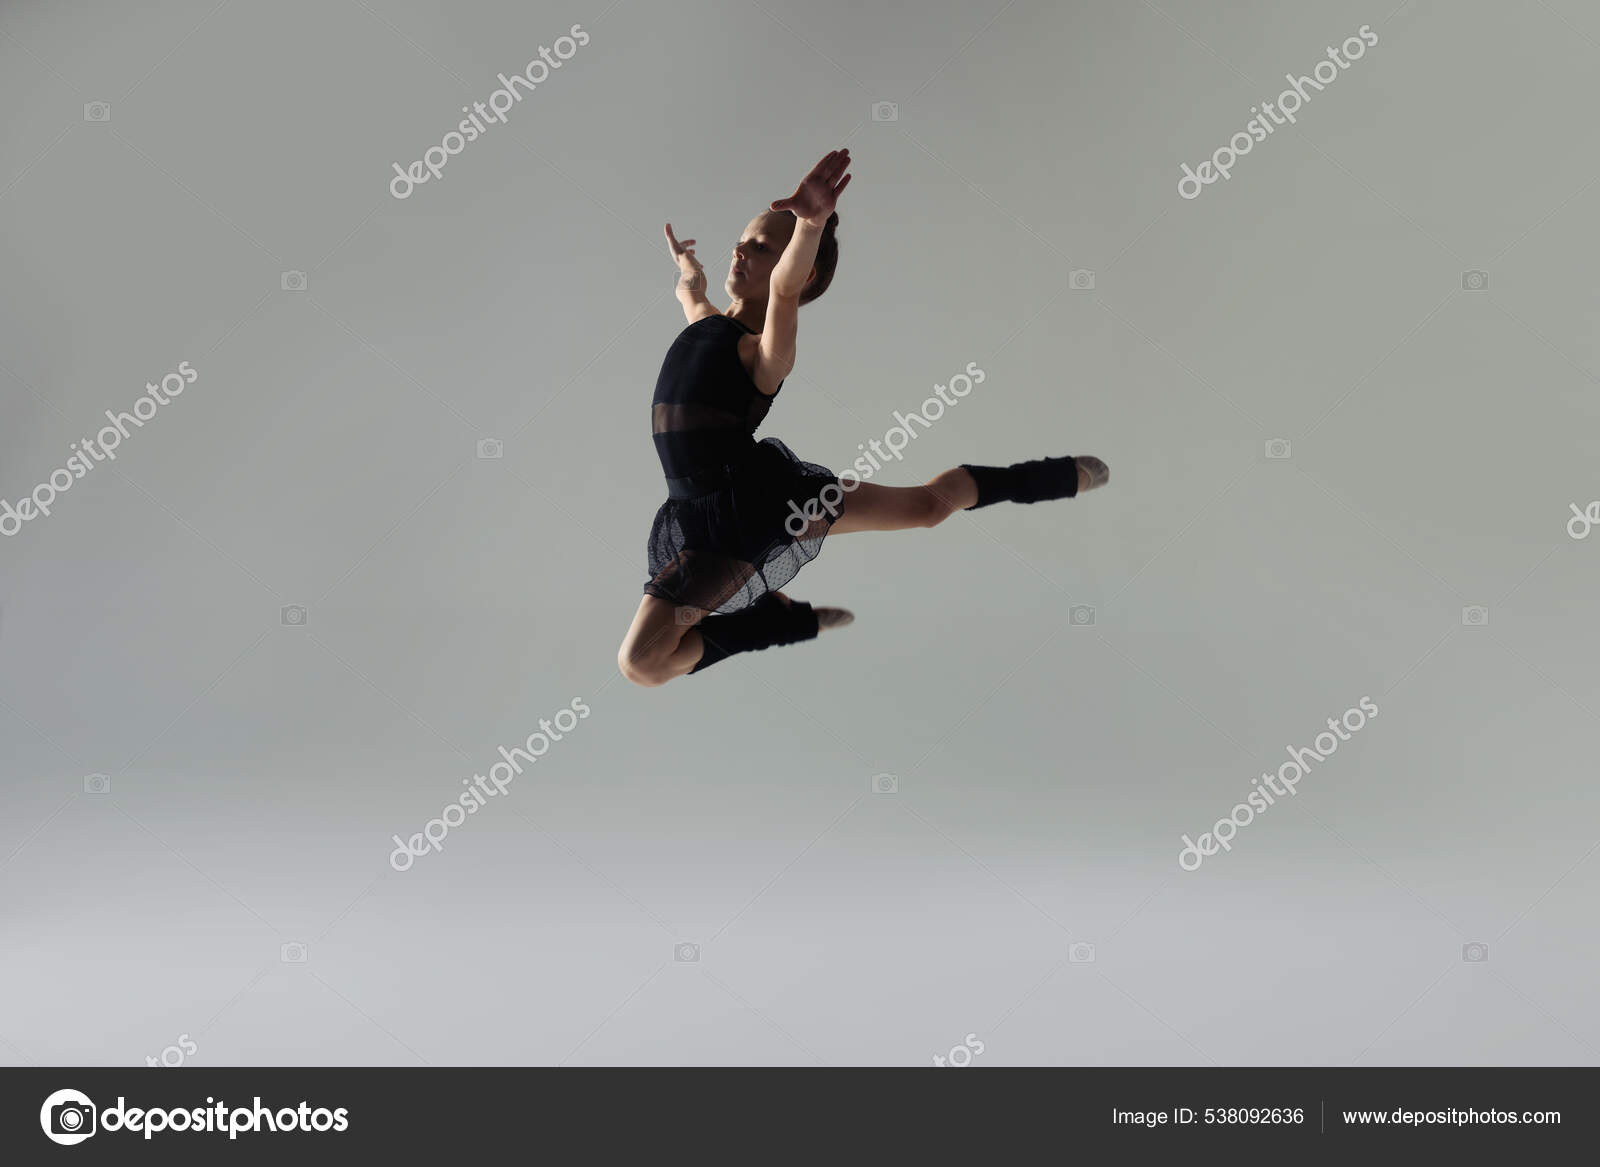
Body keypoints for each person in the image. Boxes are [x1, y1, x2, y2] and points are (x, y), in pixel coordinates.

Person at [617, 148, 1107, 686]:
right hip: (696, 516)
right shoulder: (709, 322)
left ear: (802, 275)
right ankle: (778, 622)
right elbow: (695, 302)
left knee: (924, 508)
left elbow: (781, 289)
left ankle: (1050, 476)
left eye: (760, 247)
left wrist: (810, 225)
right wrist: (689, 278)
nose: (740, 251)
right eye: (741, 241)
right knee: (646, 665)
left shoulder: (766, 354)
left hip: (756, 504)